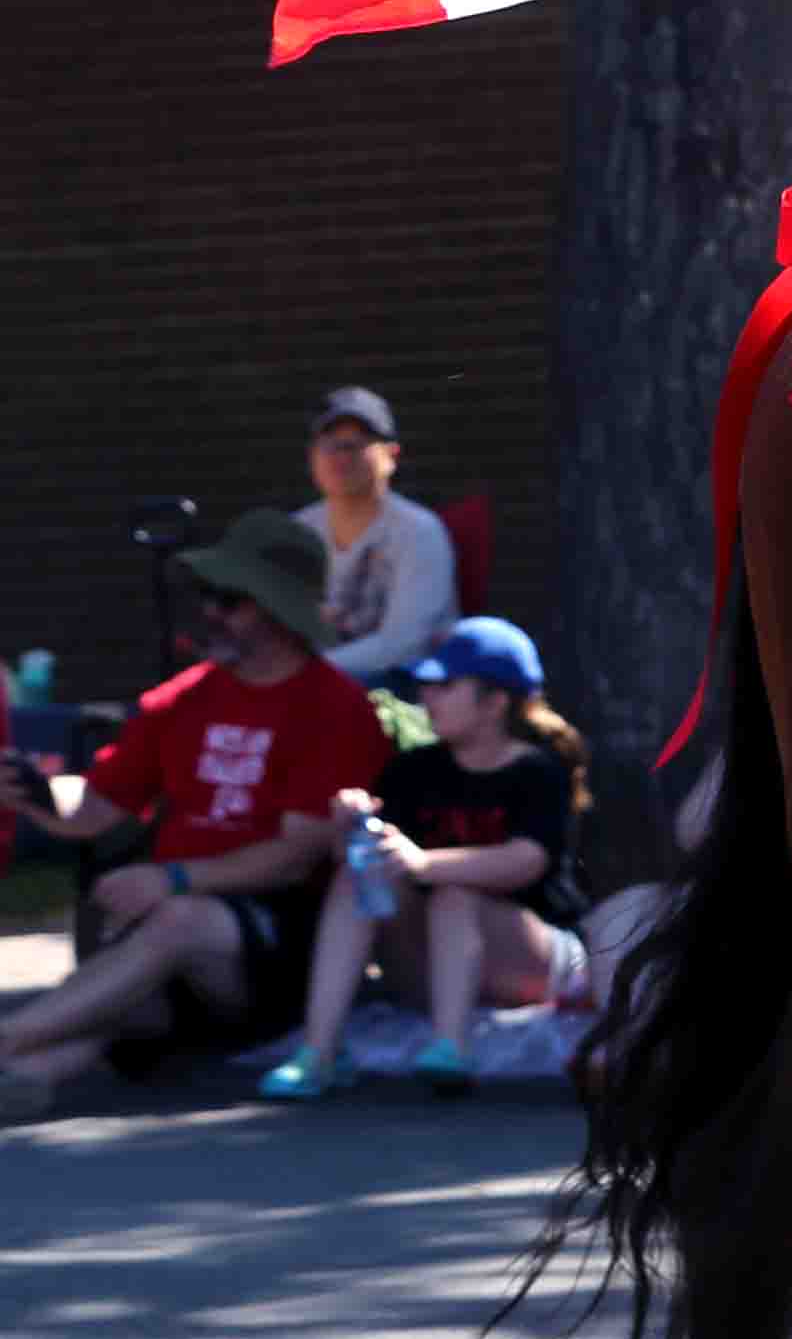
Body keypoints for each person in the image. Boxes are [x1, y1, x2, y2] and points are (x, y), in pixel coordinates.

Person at [0, 512, 384, 1120]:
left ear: (279, 610)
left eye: (229, 600)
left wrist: (173, 879)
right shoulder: (181, 699)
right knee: (119, 1003)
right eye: (207, 595)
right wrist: (38, 794)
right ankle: (23, 1074)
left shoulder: (335, 709)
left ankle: (7, 1040)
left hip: (284, 953)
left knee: (178, 922)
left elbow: (296, 857)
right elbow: (96, 805)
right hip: (172, 951)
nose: (209, 612)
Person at [259, 616, 590, 1097]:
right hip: (431, 965)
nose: (427, 697)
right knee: (359, 876)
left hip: (532, 964)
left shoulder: (539, 772)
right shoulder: (413, 770)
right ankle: (320, 1052)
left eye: (445, 686)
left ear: (495, 701)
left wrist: (423, 864)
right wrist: (350, 830)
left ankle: (451, 1048)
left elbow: (527, 861)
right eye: (427, 685)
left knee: (454, 894)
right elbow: (372, 864)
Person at [295, 382, 459, 687]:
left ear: (392, 455)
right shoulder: (296, 531)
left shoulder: (420, 532)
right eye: (329, 444)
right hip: (308, 689)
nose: (341, 456)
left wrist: (305, 673)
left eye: (356, 444)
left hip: (400, 693)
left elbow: (404, 646)